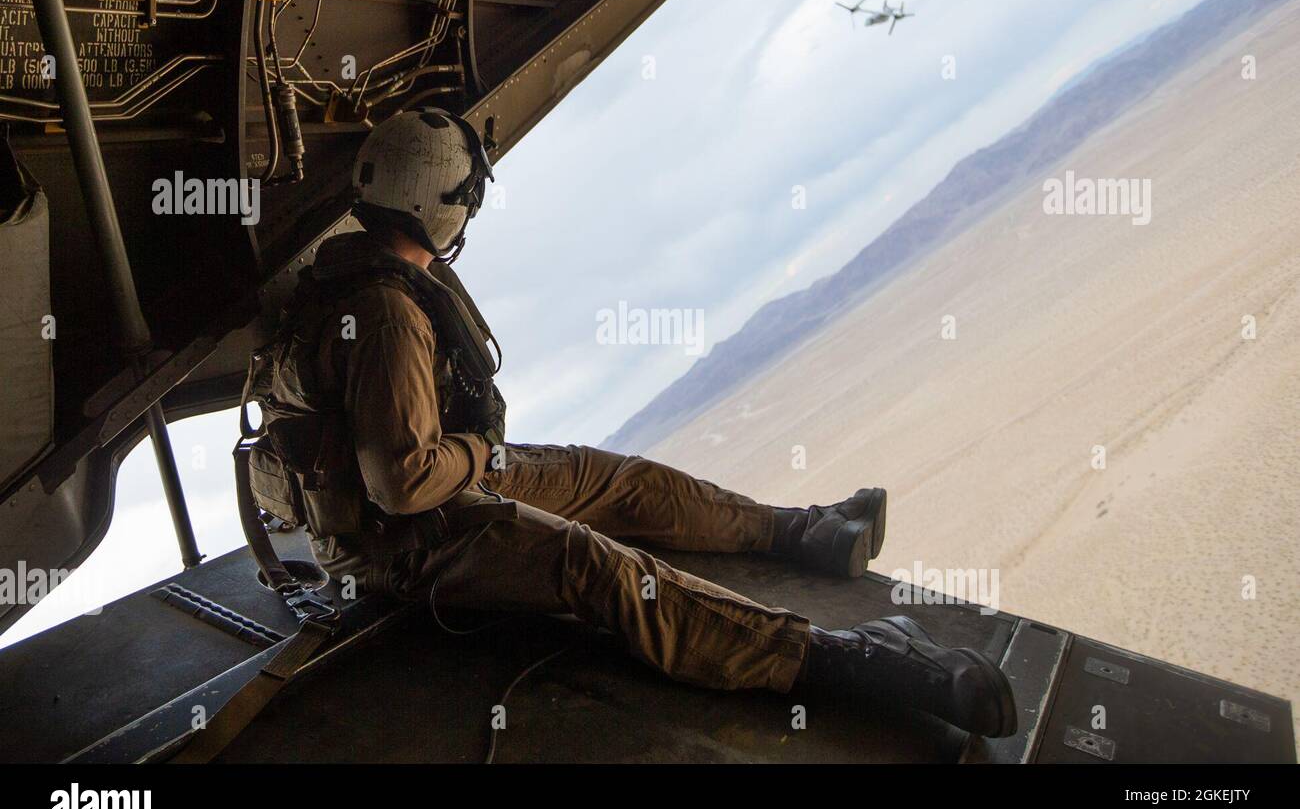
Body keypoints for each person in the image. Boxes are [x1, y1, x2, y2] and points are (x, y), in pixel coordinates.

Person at [253, 108, 1016, 738]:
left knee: (604, 477)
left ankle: (802, 531)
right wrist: (482, 453)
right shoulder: (386, 311)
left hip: (431, 492)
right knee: (599, 567)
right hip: (402, 545)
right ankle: (847, 658)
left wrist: (478, 457)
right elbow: (403, 482)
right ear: (440, 205)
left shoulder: (363, 277)